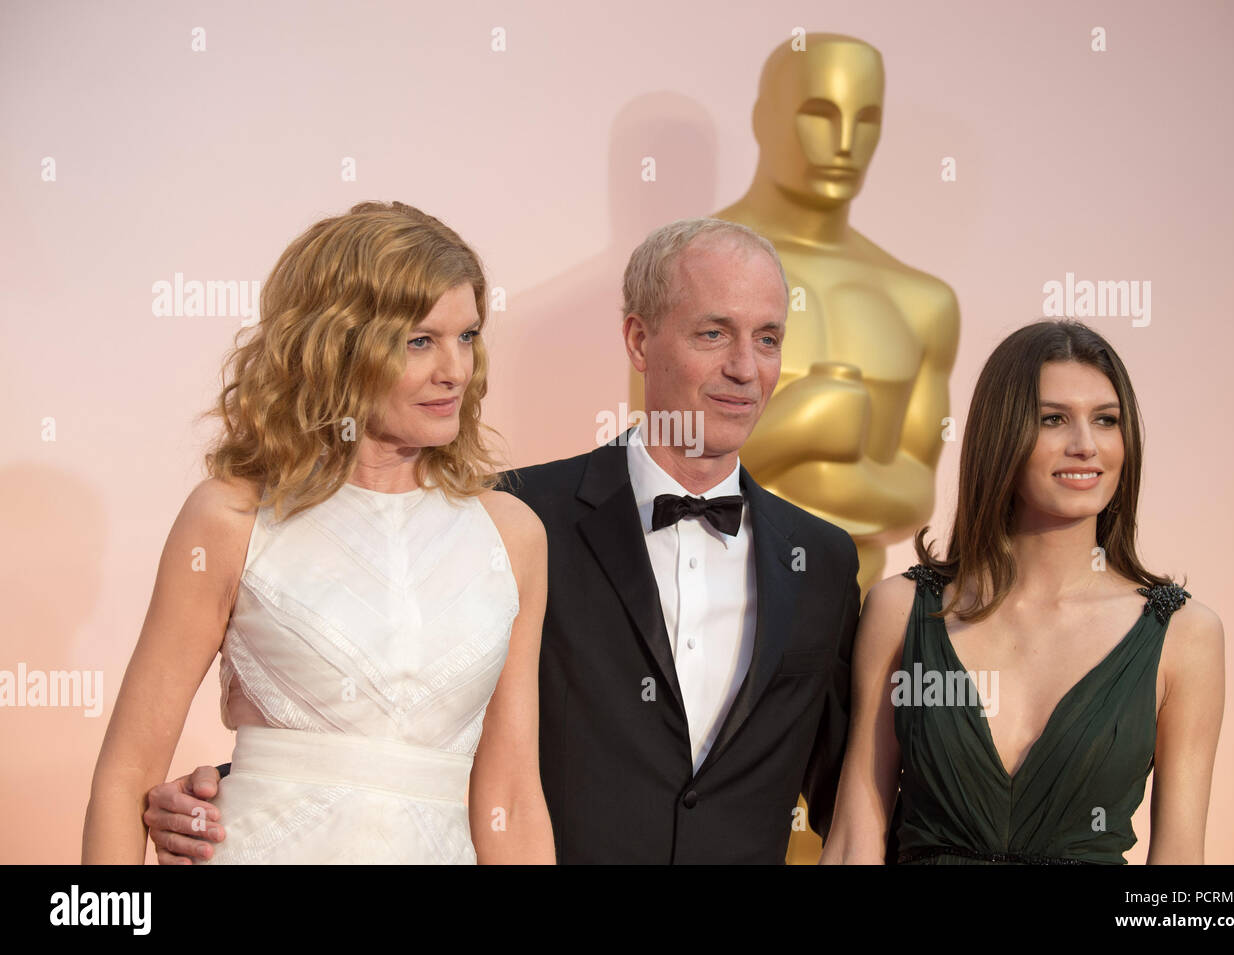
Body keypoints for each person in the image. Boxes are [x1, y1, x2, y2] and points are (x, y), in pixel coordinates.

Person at [145, 216, 861, 865]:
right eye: (714, 333)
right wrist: (254, 787)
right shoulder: (512, 515)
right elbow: (398, 685)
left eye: (768, 337)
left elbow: (852, 797)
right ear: (639, 340)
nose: (746, 366)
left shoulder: (824, 562)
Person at [82, 201, 554, 864]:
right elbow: (125, 776)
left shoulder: (512, 536)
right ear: (338, 348)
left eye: (468, 336)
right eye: (421, 340)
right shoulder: (230, 518)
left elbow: (511, 792)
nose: (456, 369)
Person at [820, 320, 1225, 865]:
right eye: (1052, 419)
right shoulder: (901, 610)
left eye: (1106, 421)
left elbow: (1179, 864)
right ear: (1001, 434)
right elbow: (854, 836)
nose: (1085, 446)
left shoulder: (1184, 635)